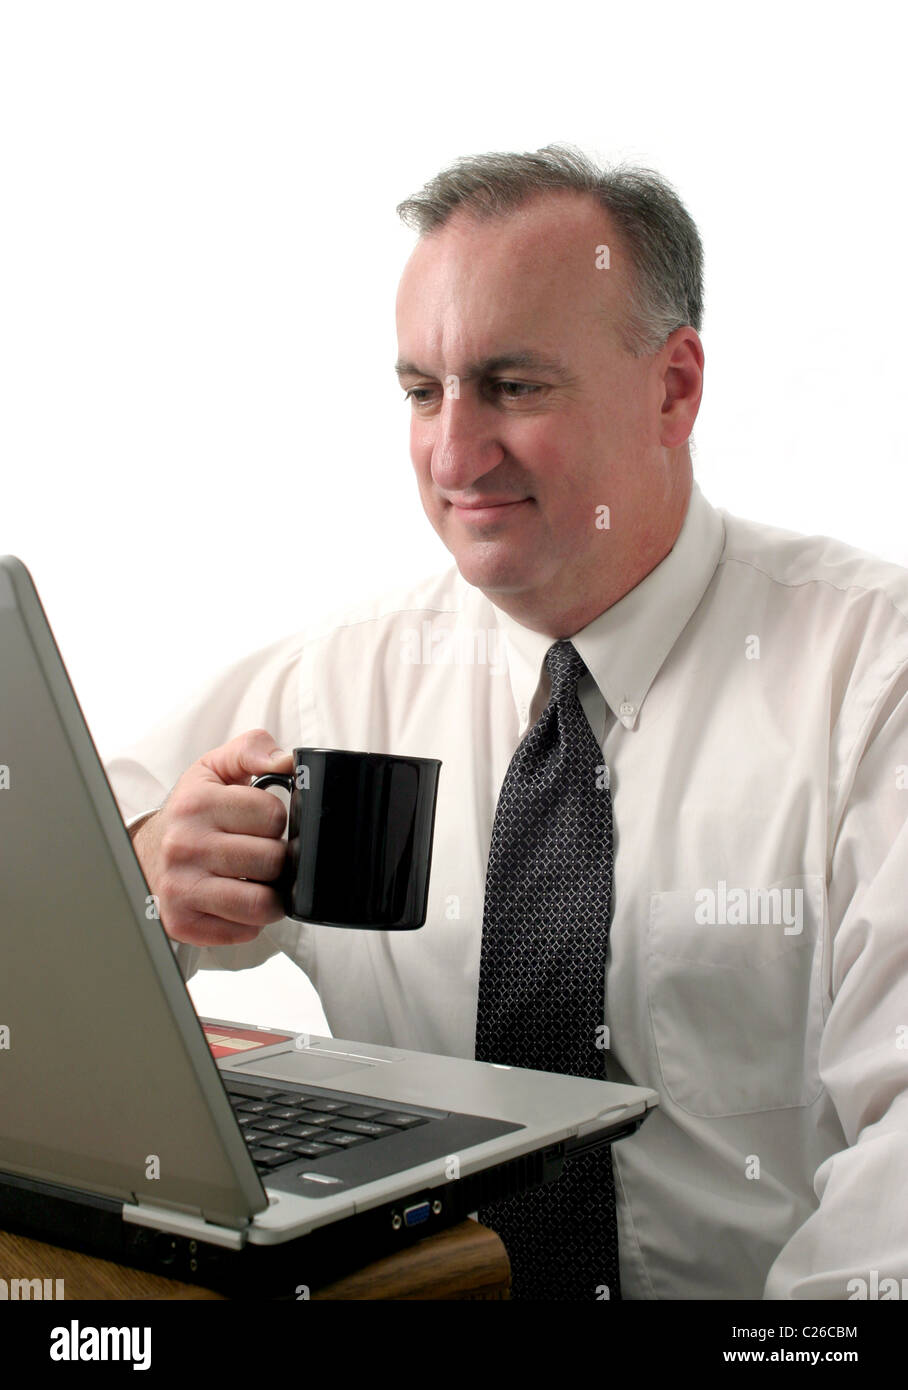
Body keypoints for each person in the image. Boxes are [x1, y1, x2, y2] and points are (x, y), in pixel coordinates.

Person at [106, 144, 908, 1300]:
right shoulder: (346, 678)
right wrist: (153, 885)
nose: (450, 452)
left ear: (672, 387)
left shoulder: (869, 682)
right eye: (421, 391)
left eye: (512, 386)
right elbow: (56, 909)